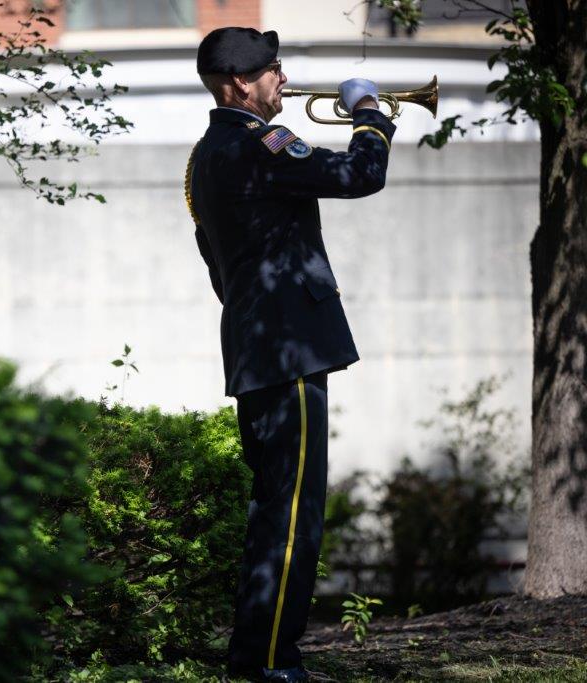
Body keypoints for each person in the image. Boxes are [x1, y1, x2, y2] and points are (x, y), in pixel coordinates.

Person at [186, 26, 396, 683]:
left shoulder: (205, 156)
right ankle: (274, 664)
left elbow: (215, 262)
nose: (282, 77)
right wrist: (370, 113)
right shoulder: (261, 145)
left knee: (273, 509)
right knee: (292, 516)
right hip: (289, 350)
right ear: (240, 83)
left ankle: (257, 657)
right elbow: (360, 174)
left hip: (256, 345)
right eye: (271, 69)